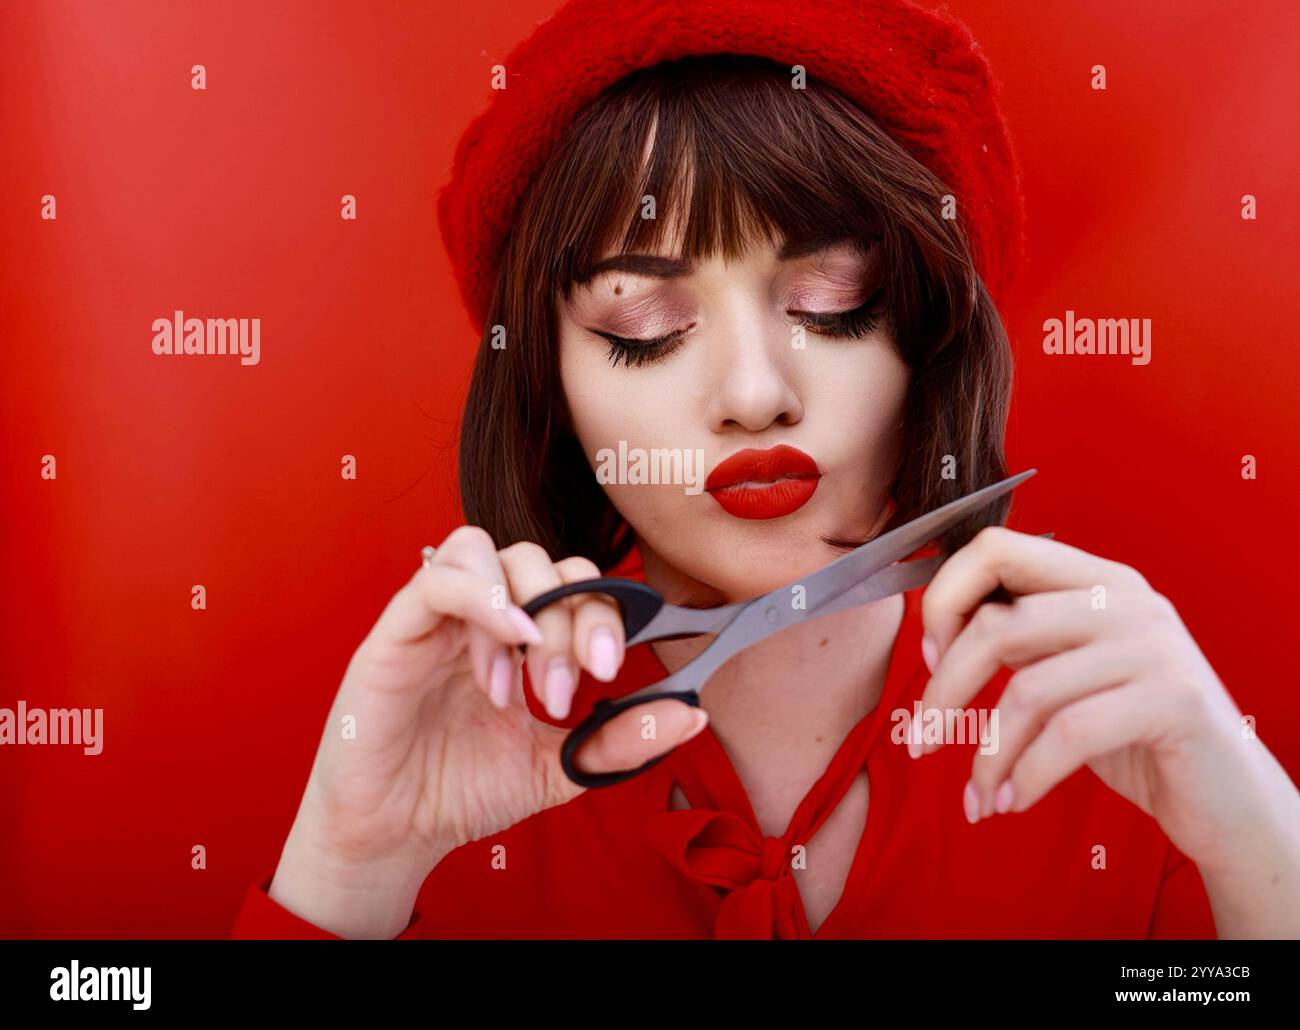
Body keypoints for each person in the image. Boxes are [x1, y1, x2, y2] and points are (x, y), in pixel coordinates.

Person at [229, 0, 1300, 939]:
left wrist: (1262, 845)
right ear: (547, 383)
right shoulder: (462, 763)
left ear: (931, 335)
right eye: (643, 322)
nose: (753, 391)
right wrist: (351, 867)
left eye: (833, 298)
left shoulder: (1113, 747)